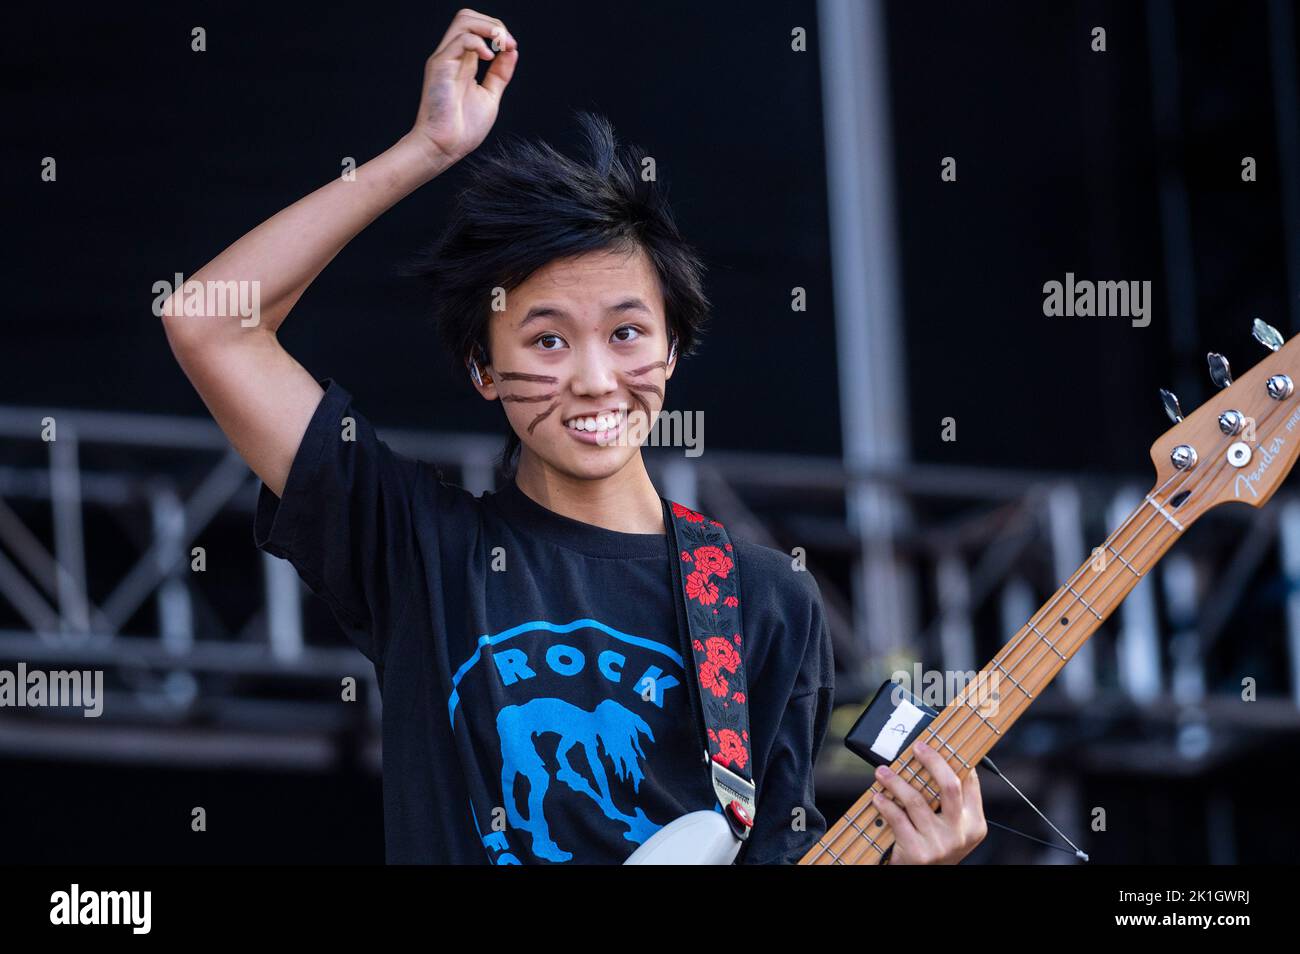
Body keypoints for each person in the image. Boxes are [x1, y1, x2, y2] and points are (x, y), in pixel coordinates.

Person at [160, 7, 986, 865]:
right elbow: (210, 322)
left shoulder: (764, 601)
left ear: (674, 347)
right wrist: (428, 150)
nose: (595, 377)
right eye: (548, 340)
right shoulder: (421, 550)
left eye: (627, 333)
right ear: (484, 368)